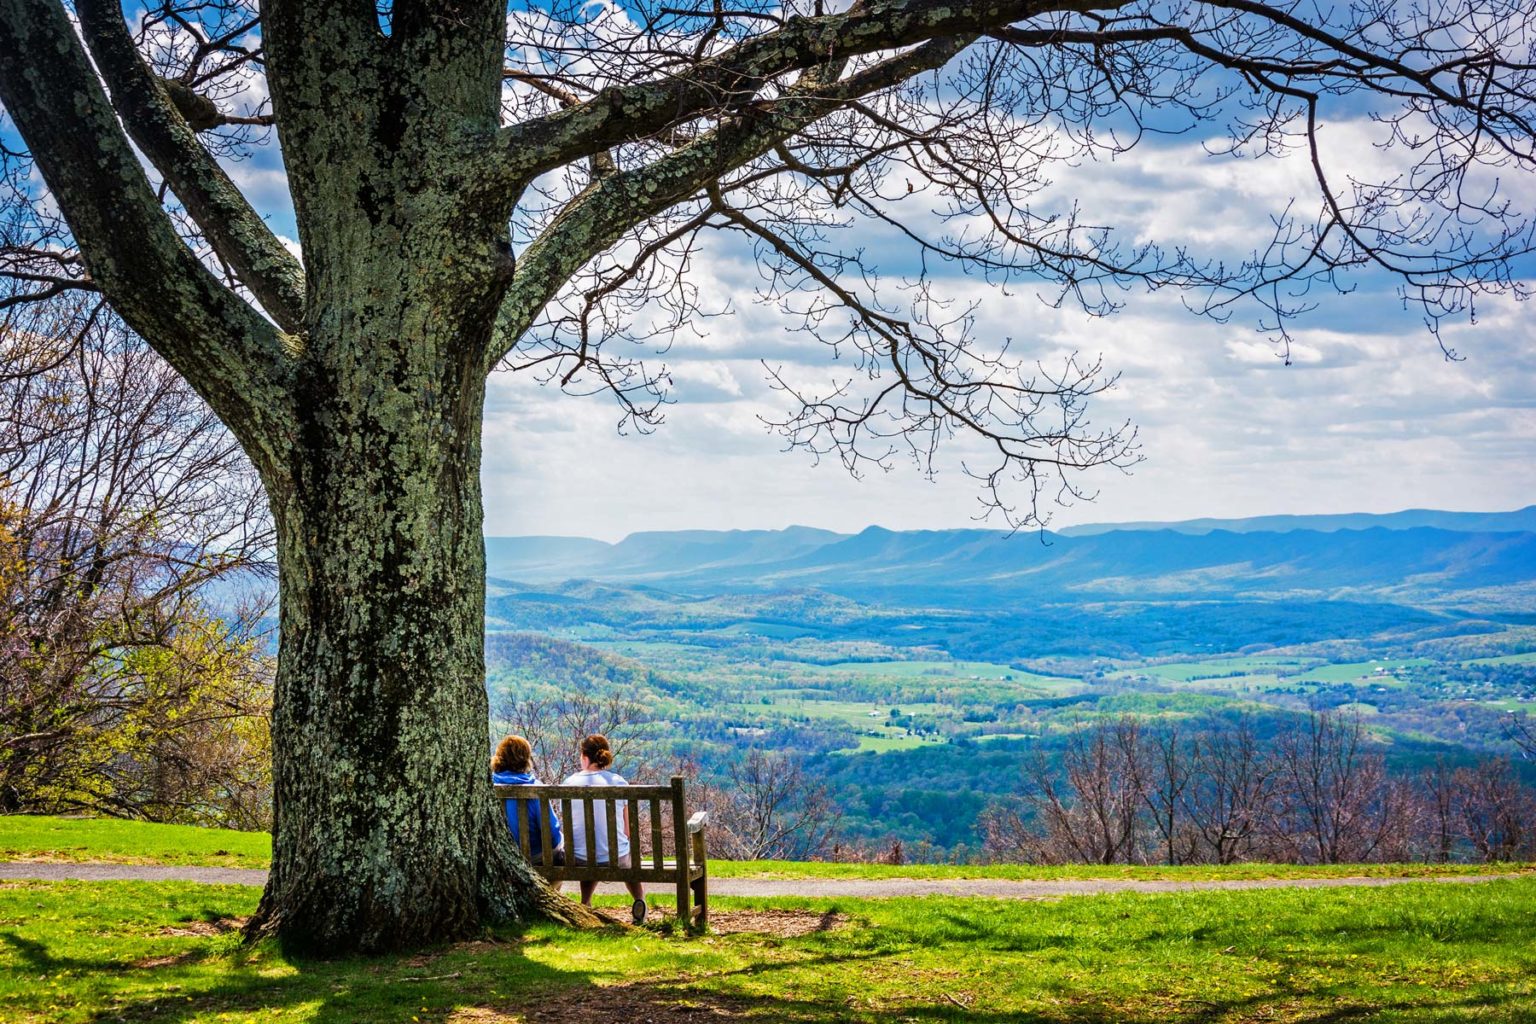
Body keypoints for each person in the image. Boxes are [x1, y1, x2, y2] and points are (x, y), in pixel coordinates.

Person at [562, 733, 646, 924]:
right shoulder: (618, 782)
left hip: (579, 858)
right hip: (615, 857)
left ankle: (585, 902)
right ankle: (640, 901)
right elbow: (627, 831)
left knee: (587, 848)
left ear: (584, 757)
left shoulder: (569, 783)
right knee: (625, 853)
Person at [491, 735, 563, 864]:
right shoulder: (535, 789)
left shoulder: (487, 787)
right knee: (561, 841)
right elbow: (551, 834)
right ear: (525, 759)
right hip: (533, 856)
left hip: (498, 856)